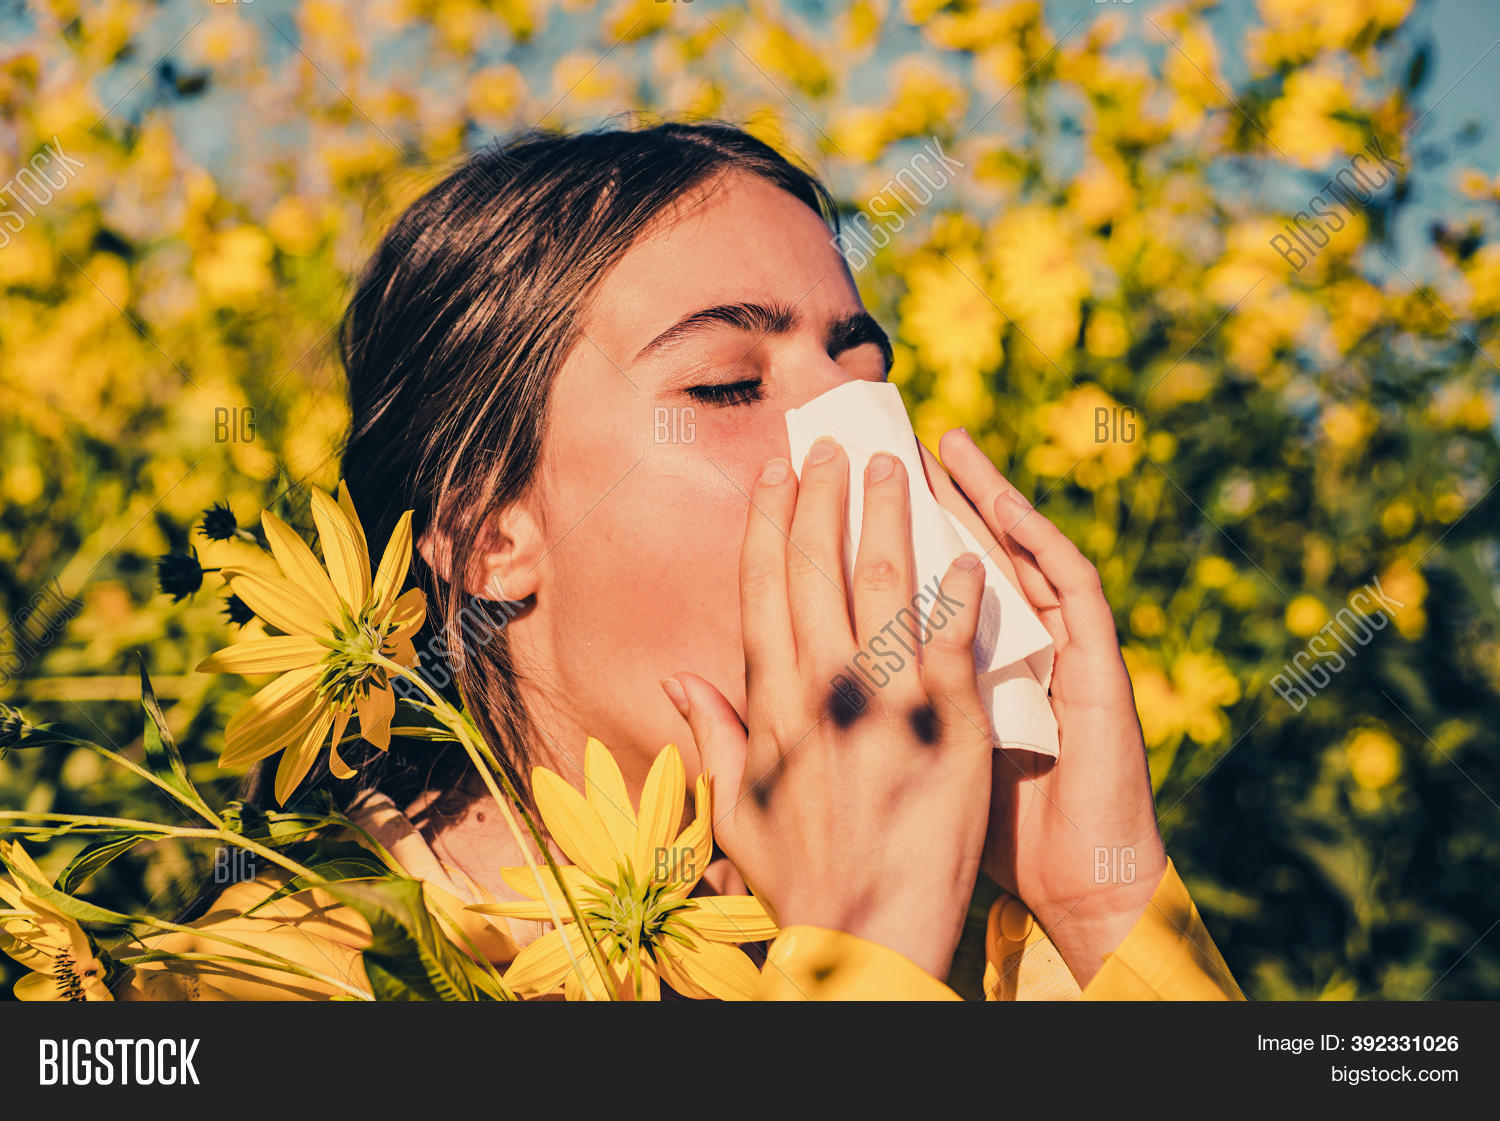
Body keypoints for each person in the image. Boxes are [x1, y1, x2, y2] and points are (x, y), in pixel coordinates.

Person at [126, 121, 1242, 1001]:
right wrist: (861, 959)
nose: (858, 454)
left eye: (867, 380)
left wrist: (1102, 913)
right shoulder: (272, 985)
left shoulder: (977, 938)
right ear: (487, 535)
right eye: (725, 387)